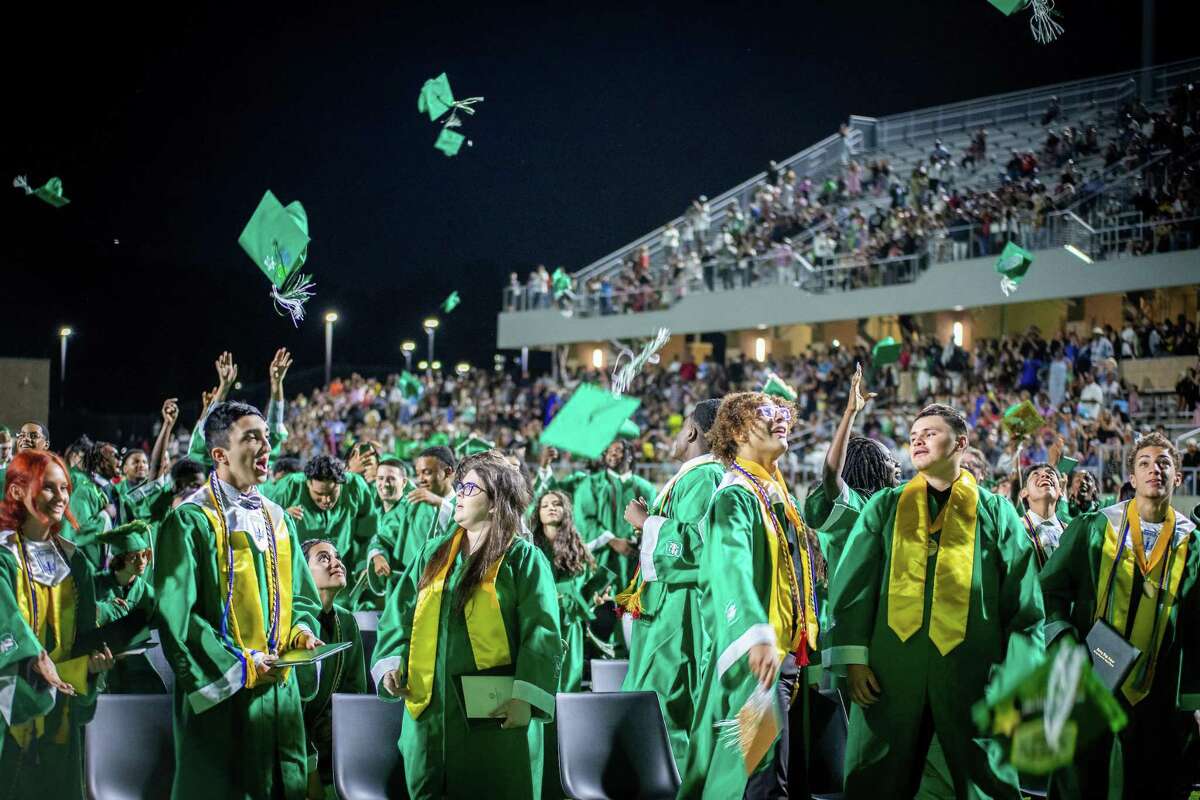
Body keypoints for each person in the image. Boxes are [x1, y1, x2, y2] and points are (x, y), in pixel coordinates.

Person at [825, 403, 1045, 800]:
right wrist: (854, 660)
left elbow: (1023, 602)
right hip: (890, 672)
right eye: (914, 436)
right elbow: (854, 588)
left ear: (960, 443)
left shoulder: (996, 512)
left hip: (973, 672)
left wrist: (1016, 675)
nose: (918, 440)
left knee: (986, 781)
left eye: (930, 433)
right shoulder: (885, 506)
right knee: (875, 777)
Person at [154, 401, 324, 800]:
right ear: (220, 454)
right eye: (252, 438)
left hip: (277, 691)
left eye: (266, 437)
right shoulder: (191, 520)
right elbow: (178, 617)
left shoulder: (277, 518)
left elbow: (302, 597)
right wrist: (240, 665)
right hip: (227, 694)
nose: (266, 447)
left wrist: (300, 632)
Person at [372, 450, 562, 798]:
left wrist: (526, 697)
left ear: (495, 503)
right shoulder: (433, 553)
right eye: (460, 486)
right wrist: (390, 663)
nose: (459, 493)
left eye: (470, 488)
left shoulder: (523, 559)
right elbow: (399, 614)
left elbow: (542, 632)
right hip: (428, 711)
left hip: (495, 713)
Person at [1039, 433, 1200, 799]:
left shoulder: (1192, 542)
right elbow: (1049, 590)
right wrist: (1065, 644)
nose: (1154, 469)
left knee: (1152, 781)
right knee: (1082, 779)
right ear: (1132, 477)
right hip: (1090, 672)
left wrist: (1193, 699)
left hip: (1160, 685)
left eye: (1164, 463)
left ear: (1178, 477)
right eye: (1144, 463)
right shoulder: (1096, 527)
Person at [681, 392, 824, 799]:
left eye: (782, 413)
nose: (780, 419)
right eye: (765, 413)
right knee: (759, 776)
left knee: (783, 776)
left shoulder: (780, 496)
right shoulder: (734, 496)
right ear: (738, 432)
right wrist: (754, 634)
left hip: (787, 658)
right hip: (756, 660)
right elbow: (731, 567)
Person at [0, 449, 116, 800]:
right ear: (18, 490)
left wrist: (92, 667)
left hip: (60, 709)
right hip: (11, 706)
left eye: (65, 488)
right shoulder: (4, 555)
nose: (61, 497)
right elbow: (5, 616)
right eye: (49, 487)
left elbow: (84, 635)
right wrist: (35, 656)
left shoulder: (74, 560)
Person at [618, 398, 723, 770]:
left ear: (692, 431)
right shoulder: (694, 476)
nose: (676, 436)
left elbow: (700, 546)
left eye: (680, 428)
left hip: (679, 614)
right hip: (667, 609)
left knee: (667, 709)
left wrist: (646, 523)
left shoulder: (705, 477)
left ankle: (670, 787)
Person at [530, 489, 613, 800]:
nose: (551, 508)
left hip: (571, 635)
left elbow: (589, 592)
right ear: (537, 513)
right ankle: (538, 778)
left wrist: (593, 598)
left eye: (557, 504)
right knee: (540, 700)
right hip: (540, 632)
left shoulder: (577, 548)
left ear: (566, 511)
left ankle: (564, 779)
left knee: (566, 702)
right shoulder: (528, 548)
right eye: (545, 505)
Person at [298, 540, 367, 799]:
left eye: (337, 557)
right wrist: (310, 768)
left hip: (335, 744)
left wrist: (340, 724)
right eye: (324, 558)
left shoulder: (346, 620)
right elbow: (292, 709)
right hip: (294, 747)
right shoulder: (293, 625)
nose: (337, 563)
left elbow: (355, 692)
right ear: (302, 571)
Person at [264, 454, 380, 577]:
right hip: (299, 573)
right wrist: (281, 517)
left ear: (340, 483)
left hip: (342, 571)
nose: (326, 500)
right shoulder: (290, 487)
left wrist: (363, 565)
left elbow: (369, 533)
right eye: (319, 494)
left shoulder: (355, 486)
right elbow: (262, 523)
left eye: (331, 493)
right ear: (308, 483)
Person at [366, 452, 451, 603]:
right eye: (380, 478)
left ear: (404, 482)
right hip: (404, 592)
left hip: (433, 589)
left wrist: (440, 504)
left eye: (391, 478)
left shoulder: (416, 506)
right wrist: (377, 556)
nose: (385, 483)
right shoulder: (378, 507)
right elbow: (382, 537)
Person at [94, 521, 162, 693]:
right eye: (134, 557)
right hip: (99, 659)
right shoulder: (95, 583)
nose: (142, 561)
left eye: (145, 555)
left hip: (132, 661)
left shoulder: (146, 592)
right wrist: (103, 609)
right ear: (119, 559)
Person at [1017, 462, 1065, 569]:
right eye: (1036, 474)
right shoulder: (1016, 528)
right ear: (1023, 492)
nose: (1045, 475)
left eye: (1050, 474)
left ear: (1061, 491)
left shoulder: (1070, 530)